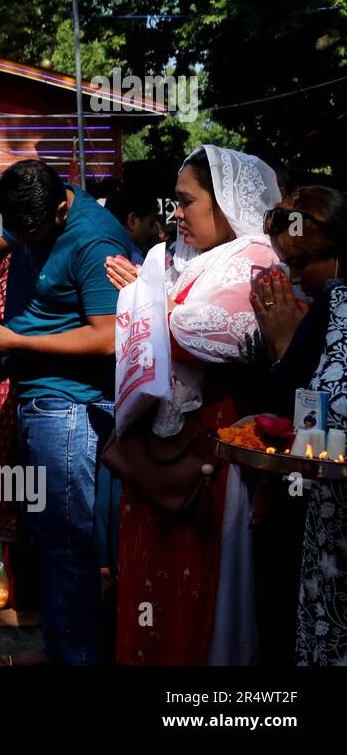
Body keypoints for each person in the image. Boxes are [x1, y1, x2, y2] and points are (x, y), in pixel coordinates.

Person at [0, 158, 131, 665]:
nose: (22, 241)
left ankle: (78, 656)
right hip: (37, 398)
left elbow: (109, 337)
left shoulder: (95, 242)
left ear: (61, 209)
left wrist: (18, 340)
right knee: (46, 539)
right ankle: (61, 646)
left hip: (69, 408)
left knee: (68, 550)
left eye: (34, 234)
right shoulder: (30, 209)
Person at [104, 146, 281, 665]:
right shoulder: (180, 259)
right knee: (149, 579)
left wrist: (145, 299)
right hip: (160, 456)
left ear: (225, 204)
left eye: (186, 202)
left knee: (198, 592)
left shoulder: (256, 259)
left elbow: (219, 337)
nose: (175, 213)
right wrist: (147, 297)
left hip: (212, 455)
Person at [247, 187, 347, 664]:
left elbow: (314, 419)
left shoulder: (334, 305)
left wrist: (286, 346)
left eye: (302, 265)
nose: (294, 279)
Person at [104, 186, 167, 264]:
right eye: (151, 223)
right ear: (132, 221)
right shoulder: (136, 264)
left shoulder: (99, 251)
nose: (155, 231)